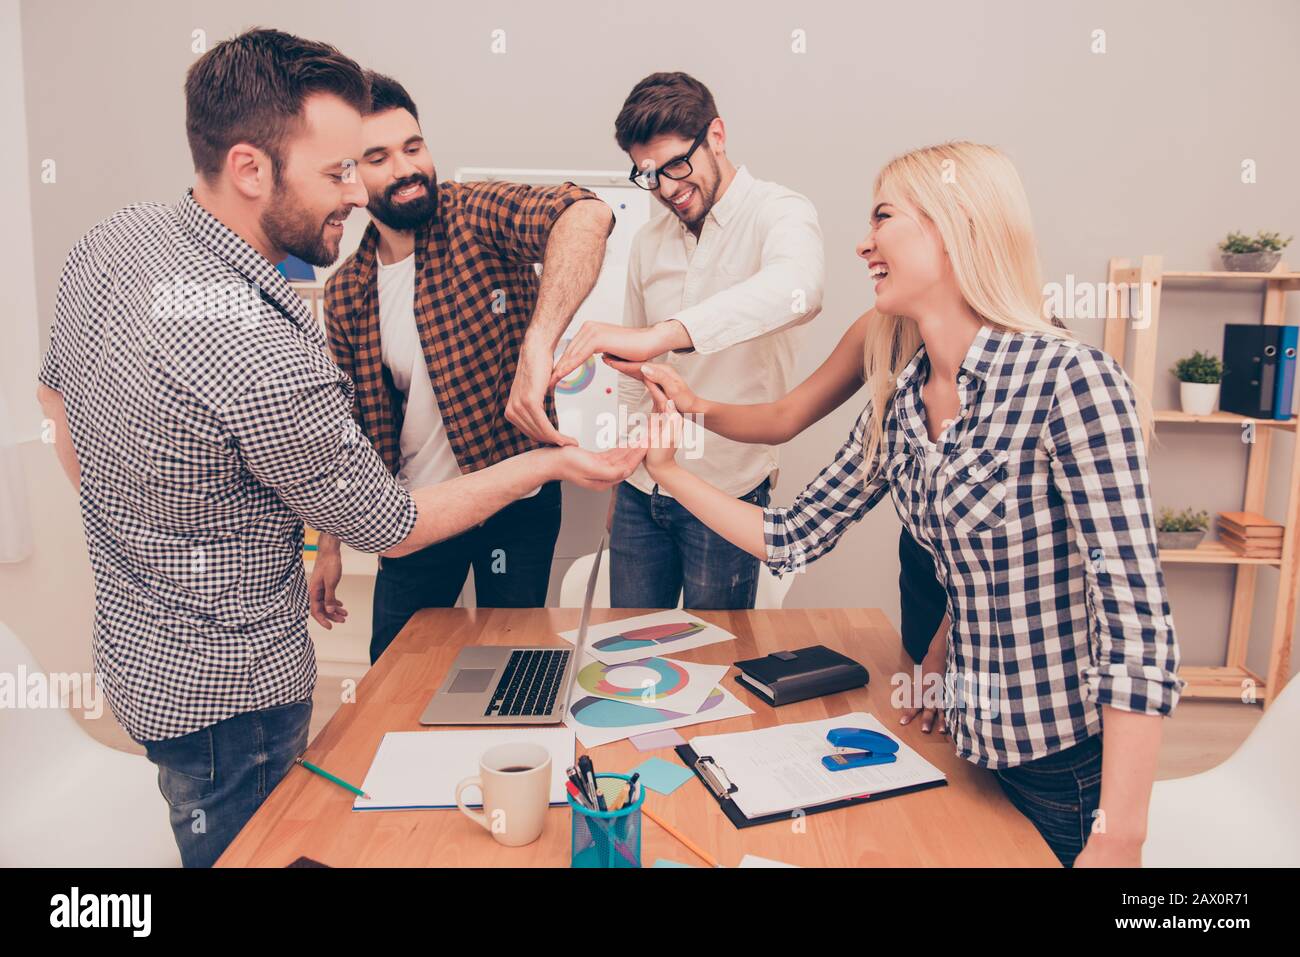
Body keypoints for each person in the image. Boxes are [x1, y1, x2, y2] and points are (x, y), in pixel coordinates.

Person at [34, 29, 643, 867]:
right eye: (339, 172)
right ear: (250, 168)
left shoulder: (112, 240)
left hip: (145, 669)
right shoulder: (273, 344)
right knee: (264, 843)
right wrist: (553, 461)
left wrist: (145, 534)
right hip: (237, 699)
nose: (359, 192)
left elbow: (55, 402)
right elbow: (389, 521)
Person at [634, 141, 1182, 867]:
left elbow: (1136, 621)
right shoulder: (904, 399)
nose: (863, 243)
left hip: (1065, 770)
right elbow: (792, 535)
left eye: (882, 217)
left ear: (954, 228)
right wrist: (667, 472)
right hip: (968, 743)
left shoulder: (1069, 380)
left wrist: (1120, 834)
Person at [314, 72, 615, 663]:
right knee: (397, 669)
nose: (406, 168)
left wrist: (538, 342)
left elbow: (586, 214)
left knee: (513, 662)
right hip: (417, 512)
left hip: (517, 501)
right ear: (349, 177)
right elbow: (346, 428)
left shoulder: (473, 215)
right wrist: (329, 544)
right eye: (378, 157)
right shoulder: (347, 291)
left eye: (413, 146)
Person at [550, 71, 825, 610]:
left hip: (727, 491)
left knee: (717, 650)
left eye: (676, 164)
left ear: (716, 136)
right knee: (628, 644)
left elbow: (801, 290)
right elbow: (634, 375)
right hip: (641, 491)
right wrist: (624, 476)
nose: (667, 188)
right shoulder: (648, 241)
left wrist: (665, 334)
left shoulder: (780, 211)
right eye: (649, 174)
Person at [607, 312, 952, 733]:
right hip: (931, 594)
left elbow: (1008, 556)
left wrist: (947, 636)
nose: (868, 259)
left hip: (993, 650)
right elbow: (793, 532)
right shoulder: (898, 381)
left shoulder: (1021, 377)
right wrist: (677, 444)